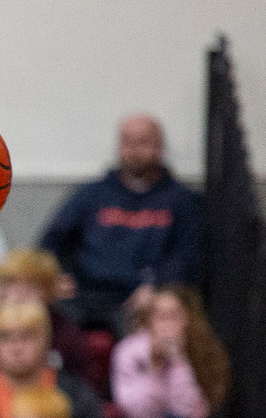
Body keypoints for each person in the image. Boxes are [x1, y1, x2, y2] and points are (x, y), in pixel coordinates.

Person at [40, 115, 205, 333]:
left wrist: (157, 286)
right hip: (86, 294)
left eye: (143, 142)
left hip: (143, 296)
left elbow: (188, 256)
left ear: (160, 147)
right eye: (127, 142)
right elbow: (51, 240)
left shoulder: (182, 200)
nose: (134, 150)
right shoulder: (91, 194)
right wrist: (52, 277)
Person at [0, 248, 95, 384]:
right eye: (10, 284)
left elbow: (83, 390)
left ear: (48, 291)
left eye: (30, 286)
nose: (18, 294)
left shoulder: (67, 335)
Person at [111, 285, 229, 418]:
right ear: (149, 320)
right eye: (161, 317)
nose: (167, 326)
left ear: (187, 318)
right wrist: (155, 367)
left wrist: (178, 363)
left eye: (174, 316)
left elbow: (193, 415)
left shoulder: (203, 349)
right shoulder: (128, 351)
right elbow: (135, 413)